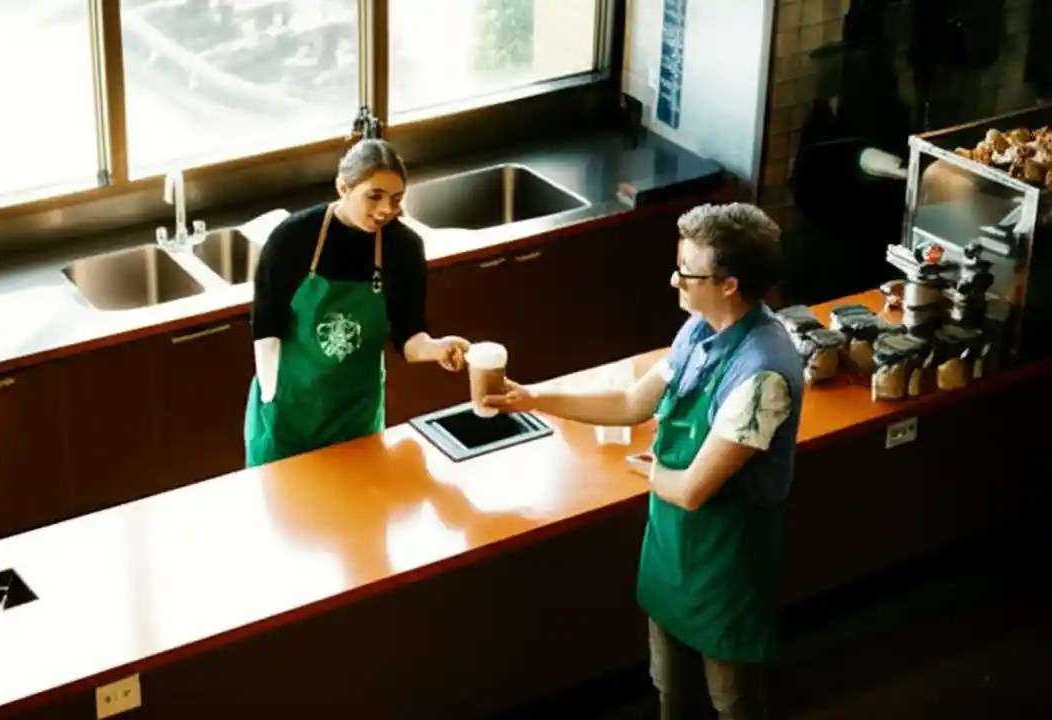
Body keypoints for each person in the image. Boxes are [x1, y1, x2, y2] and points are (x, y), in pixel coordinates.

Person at [484, 203, 804, 719]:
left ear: (728, 284)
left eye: (687, 271)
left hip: (726, 559)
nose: (674, 278)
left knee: (732, 701)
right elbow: (633, 403)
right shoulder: (700, 329)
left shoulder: (762, 375)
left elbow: (691, 490)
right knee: (671, 690)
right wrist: (533, 397)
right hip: (672, 545)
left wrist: (645, 469)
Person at [244, 139, 470, 467]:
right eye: (374, 196)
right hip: (289, 414)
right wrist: (270, 396)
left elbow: (409, 336)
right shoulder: (293, 240)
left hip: (355, 416)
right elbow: (265, 327)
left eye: (396, 199)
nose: (386, 210)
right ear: (343, 187)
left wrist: (436, 348)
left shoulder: (403, 247)